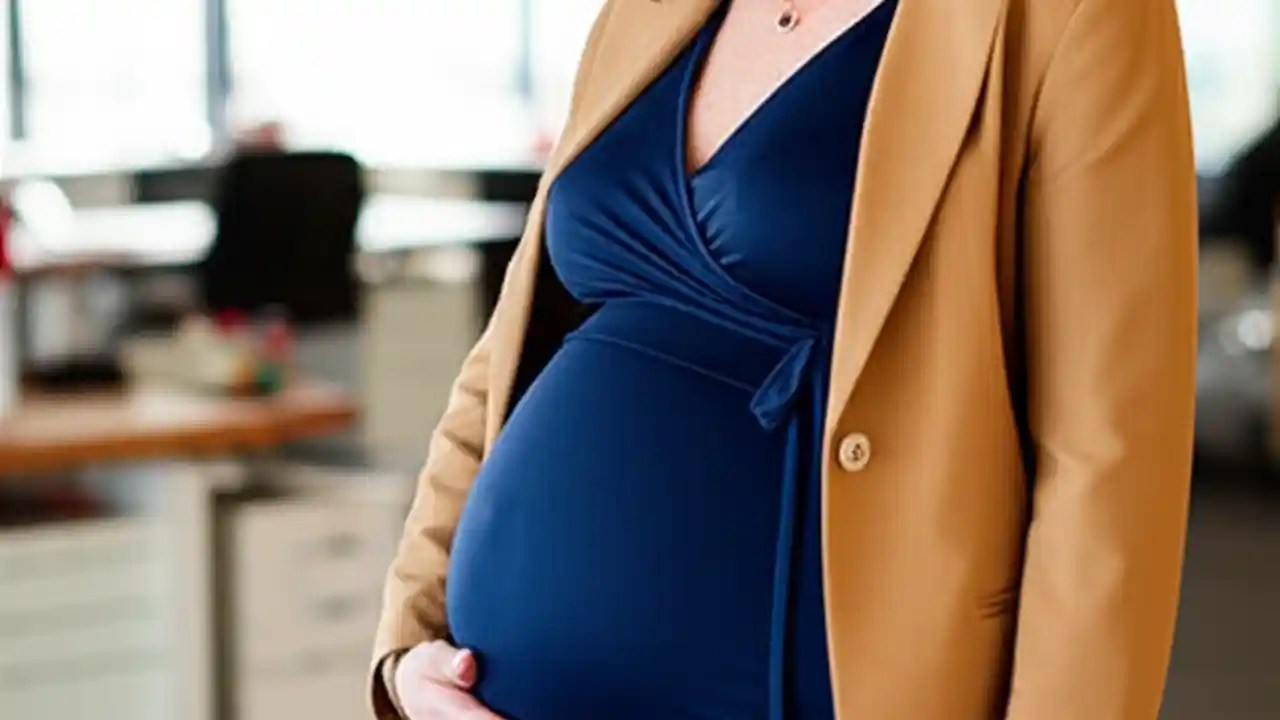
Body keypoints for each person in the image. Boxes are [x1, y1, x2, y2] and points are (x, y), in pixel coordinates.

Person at [371, 0, 1198, 718]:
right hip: (494, 692)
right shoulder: (646, 14)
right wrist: (406, 653)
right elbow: (503, 361)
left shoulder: (1066, 16)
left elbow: (1111, 461)